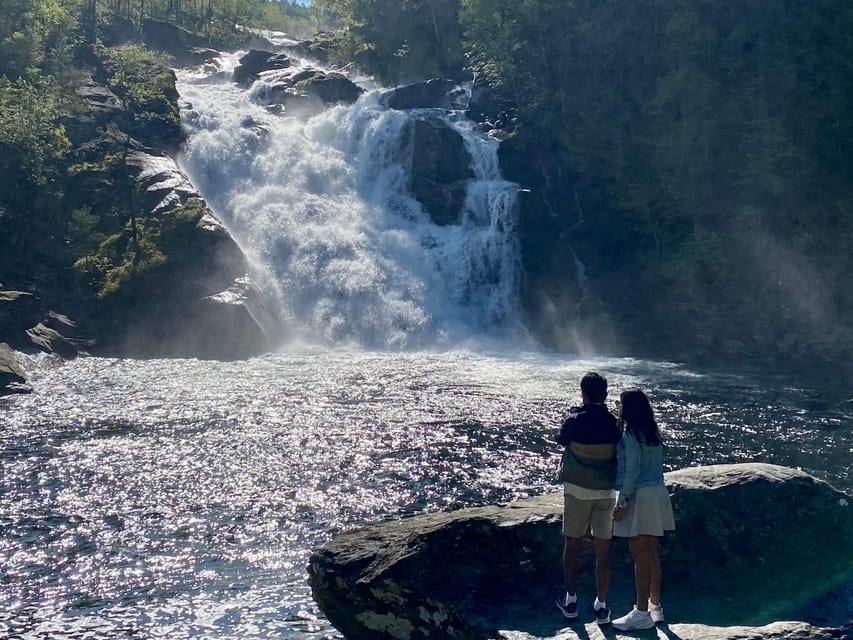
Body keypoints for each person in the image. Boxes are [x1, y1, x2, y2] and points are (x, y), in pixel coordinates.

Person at [555, 372, 622, 626]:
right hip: (606, 491)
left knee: (573, 543)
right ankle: (601, 606)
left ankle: (571, 600)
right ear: (605, 395)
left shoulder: (575, 420)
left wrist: (574, 412)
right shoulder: (615, 423)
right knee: (603, 549)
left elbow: (561, 439)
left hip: (577, 490)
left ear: (583, 394)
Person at [610, 388, 676, 631]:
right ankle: (655, 606)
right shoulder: (652, 433)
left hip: (641, 497)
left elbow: (631, 472)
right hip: (657, 492)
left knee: (639, 554)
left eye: (621, 404)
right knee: (651, 551)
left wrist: (622, 503)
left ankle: (640, 613)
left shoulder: (630, 436)